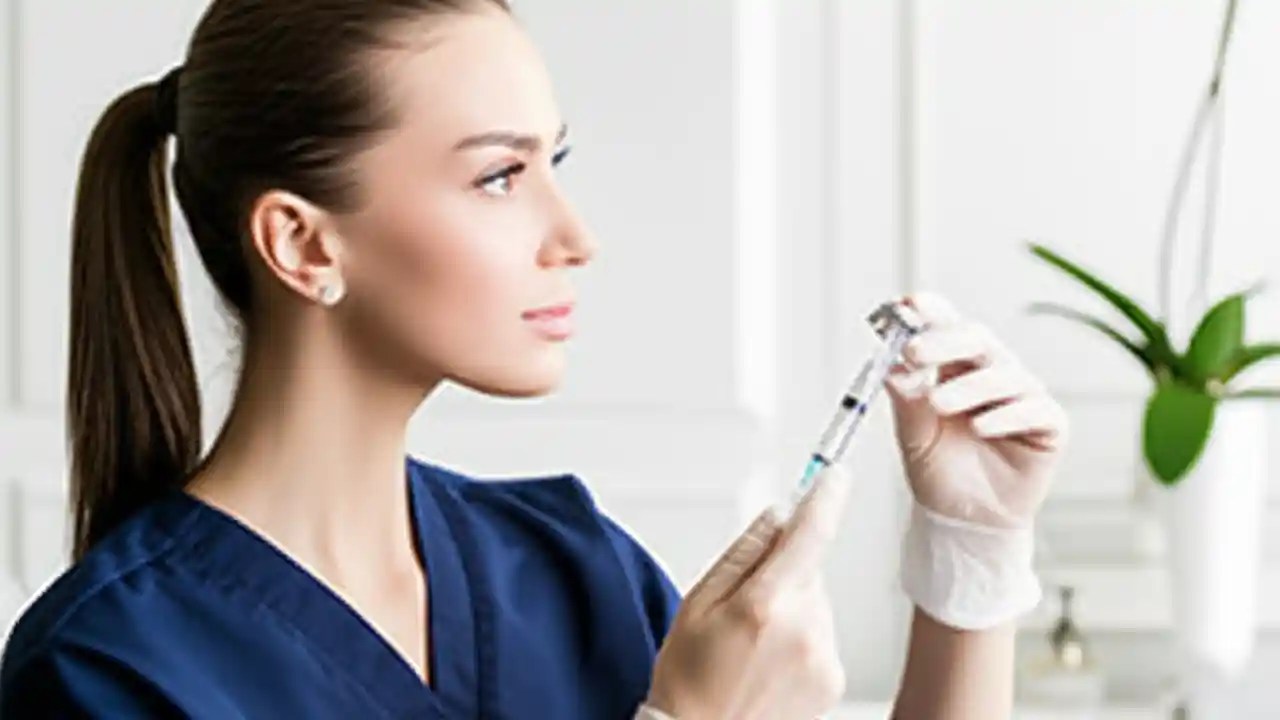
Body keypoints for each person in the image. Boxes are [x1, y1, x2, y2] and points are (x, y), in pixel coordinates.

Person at [0, 1, 1068, 718]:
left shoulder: (571, 572)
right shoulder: (110, 672)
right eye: (499, 177)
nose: (573, 235)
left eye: (551, 161)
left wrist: (968, 565)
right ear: (303, 244)